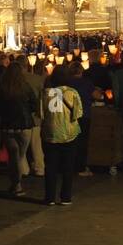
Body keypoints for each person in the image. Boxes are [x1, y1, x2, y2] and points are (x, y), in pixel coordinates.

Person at [0, 61, 38, 196]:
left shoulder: (2, 87)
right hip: (24, 125)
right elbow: (34, 104)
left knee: (13, 156)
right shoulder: (26, 87)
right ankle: (17, 184)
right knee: (20, 156)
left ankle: (15, 184)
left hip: (8, 126)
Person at [41, 65, 82, 205]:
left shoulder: (46, 93)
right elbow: (78, 113)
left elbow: (40, 114)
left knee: (50, 167)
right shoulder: (72, 93)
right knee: (68, 166)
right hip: (69, 134)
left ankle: (50, 197)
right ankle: (66, 197)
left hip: (50, 133)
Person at [68, 62, 96, 176]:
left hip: (70, 115)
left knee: (70, 141)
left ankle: (70, 165)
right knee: (82, 142)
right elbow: (96, 95)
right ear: (81, 70)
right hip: (84, 115)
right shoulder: (86, 82)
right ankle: (81, 167)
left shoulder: (68, 83)